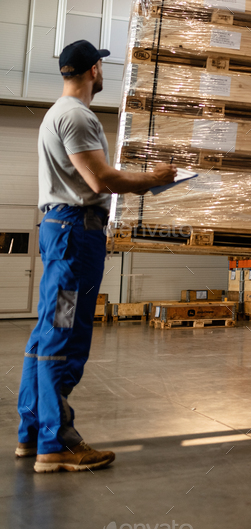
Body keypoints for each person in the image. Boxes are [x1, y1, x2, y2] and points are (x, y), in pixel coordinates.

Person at [16, 39, 177, 473]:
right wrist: (154, 178)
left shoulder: (56, 113)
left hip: (60, 231)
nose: (103, 72)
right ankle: (58, 443)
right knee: (64, 334)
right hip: (74, 238)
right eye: (101, 66)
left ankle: (32, 434)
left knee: (46, 333)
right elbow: (102, 179)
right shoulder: (77, 116)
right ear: (93, 71)